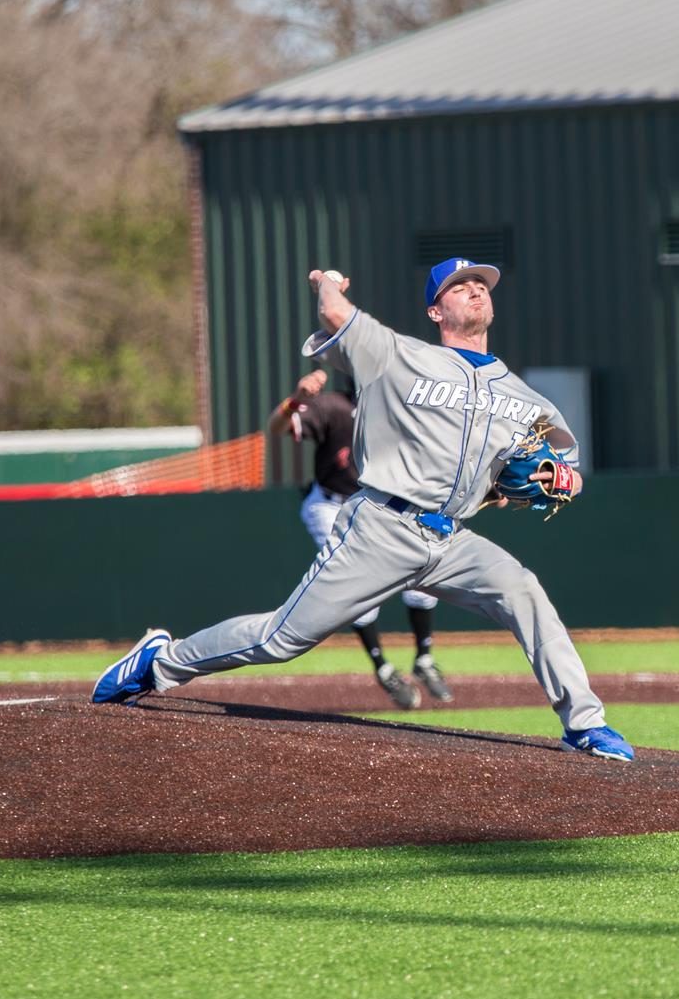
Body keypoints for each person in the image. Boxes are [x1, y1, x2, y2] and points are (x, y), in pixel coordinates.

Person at [93, 257, 633, 760]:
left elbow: (566, 470)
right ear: (435, 309)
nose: (474, 290)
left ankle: (584, 724)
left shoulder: (525, 398)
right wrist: (325, 281)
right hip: (382, 527)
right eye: (458, 285)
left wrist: (563, 479)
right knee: (282, 639)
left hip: (451, 541)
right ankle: (161, 662)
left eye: (481, 285)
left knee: (524, 590)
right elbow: (333, 312)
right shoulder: (397, 355)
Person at [276, 366, 452, 708]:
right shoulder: (334, 407)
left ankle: (424, 659)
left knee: (421, 573)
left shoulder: (403, 411)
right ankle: (383, 668)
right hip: (331, 505)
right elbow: (277, 428)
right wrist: (295, 401)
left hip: (383, 504)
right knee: (355, 583)